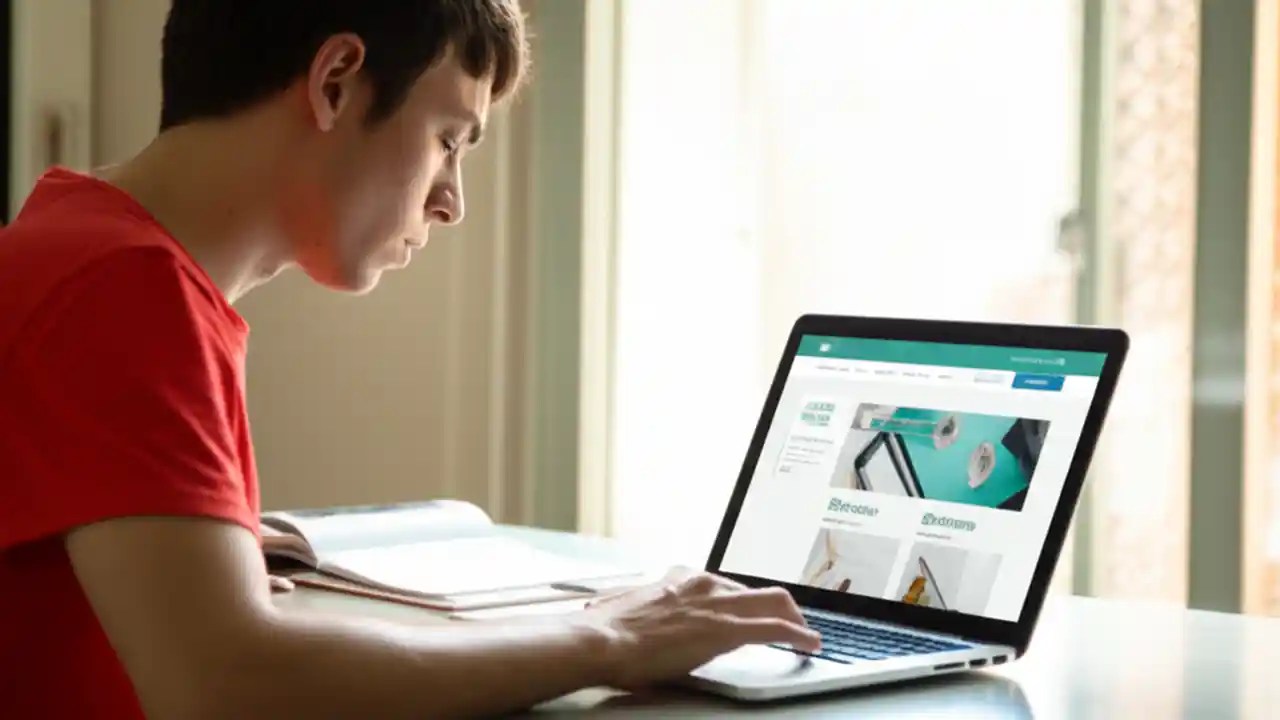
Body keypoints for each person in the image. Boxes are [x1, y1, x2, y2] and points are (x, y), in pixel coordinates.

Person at [0, 2, 820, 718]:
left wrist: (196, 550)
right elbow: (228, 685)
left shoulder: (73, 239)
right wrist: (605, 637)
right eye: (448, 140)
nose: (451, 201)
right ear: (335, 82)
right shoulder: (128, 290)